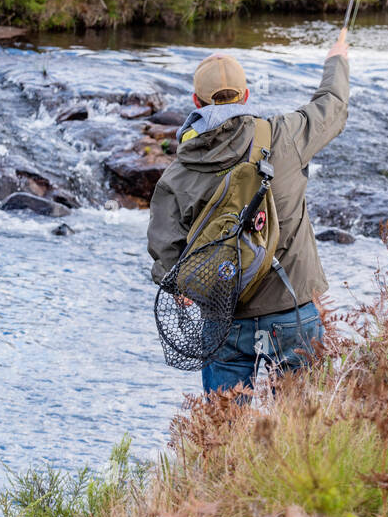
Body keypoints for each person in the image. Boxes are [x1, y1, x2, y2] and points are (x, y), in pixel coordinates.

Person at [147, 30, 349, 396]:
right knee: (303, 436)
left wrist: (180, 286)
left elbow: (166, 254)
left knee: (222, 439)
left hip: (225, 325)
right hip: (292, 313)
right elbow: (332, 106)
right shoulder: (283, 136)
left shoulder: (179, 172)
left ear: (196, 101)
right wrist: (337, 59)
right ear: (246, 96)